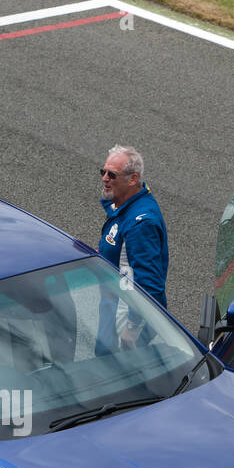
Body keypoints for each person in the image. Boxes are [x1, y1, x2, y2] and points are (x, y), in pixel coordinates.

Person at [96, 145, 169, 354]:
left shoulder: (141, 224)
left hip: (125, 320)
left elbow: (150, 286)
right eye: (103, 172)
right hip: (112, 307)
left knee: (114, 374)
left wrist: (133, 328)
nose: (104, 178)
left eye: (112, 174)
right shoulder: (123, 206)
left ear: (133, 179)